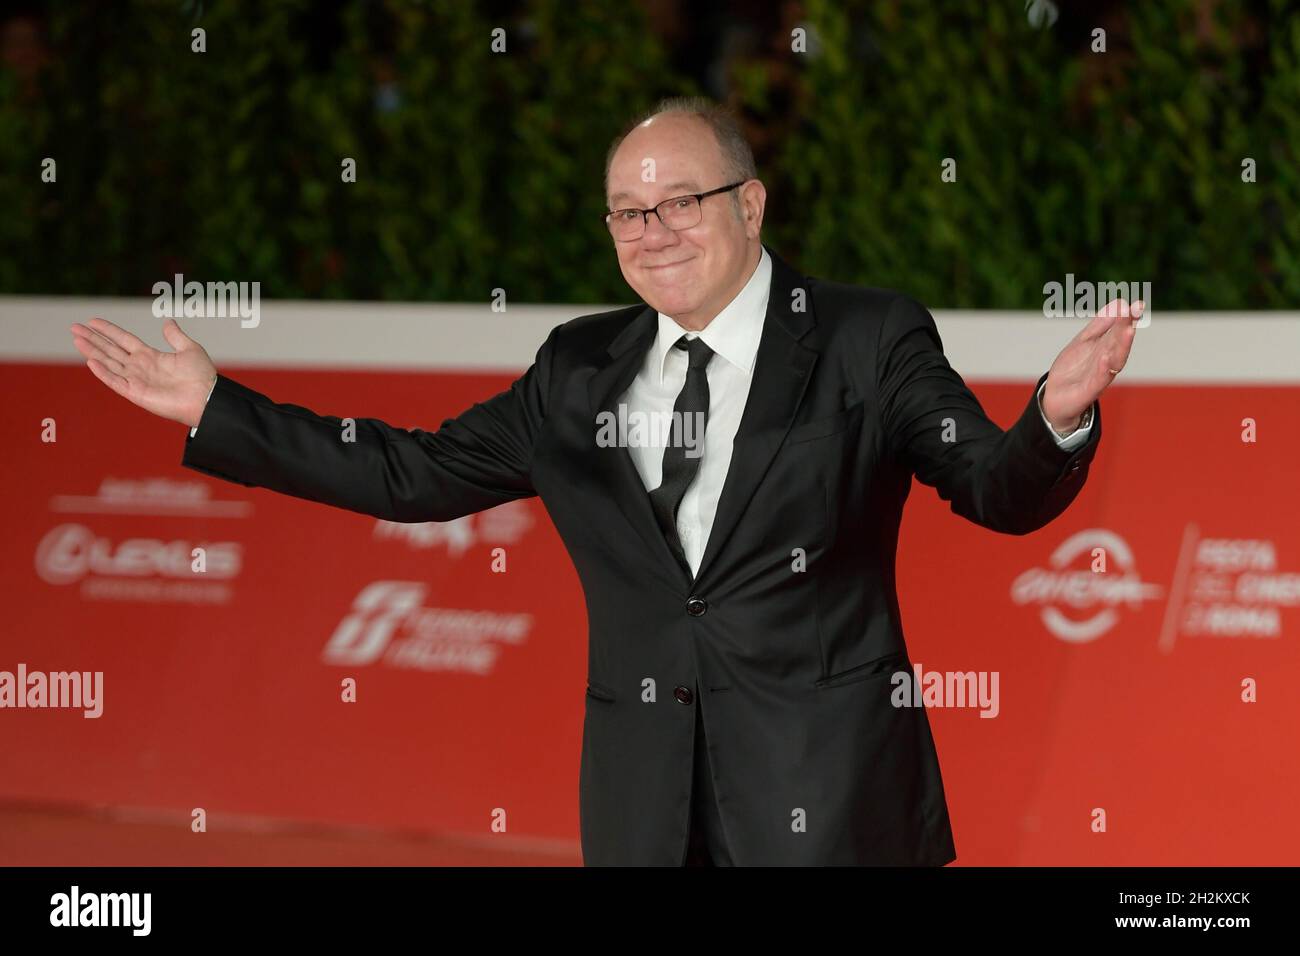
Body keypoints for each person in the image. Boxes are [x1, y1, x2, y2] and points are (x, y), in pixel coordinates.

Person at [69, 96, 1141, 866]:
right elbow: (411, 470)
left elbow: (993, 487)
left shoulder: (866, 335)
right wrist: (218, 409)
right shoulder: (579, 363)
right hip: (642, 799)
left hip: (830, 802)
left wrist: (1054, 413)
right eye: (627, 211)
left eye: (681, 201)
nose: (651, 231)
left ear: (752, 205)